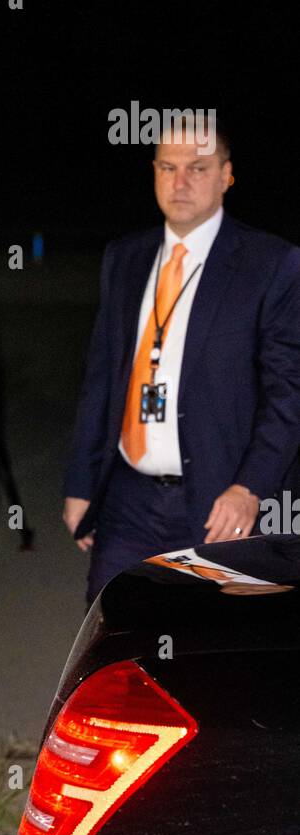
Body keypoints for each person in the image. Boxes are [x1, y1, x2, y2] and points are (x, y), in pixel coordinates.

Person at [62, 116, 300, 604]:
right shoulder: (125, 257)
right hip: (127, 498)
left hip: (220, 502)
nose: (180, 182)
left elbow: (288, 392)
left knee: (212, 654)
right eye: (168, 167)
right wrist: (81, 485)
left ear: (227, 174)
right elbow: (102, 379)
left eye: (198, 167)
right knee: (115, 638)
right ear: (153, 171)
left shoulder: (271, 263)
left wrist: (249, 487)